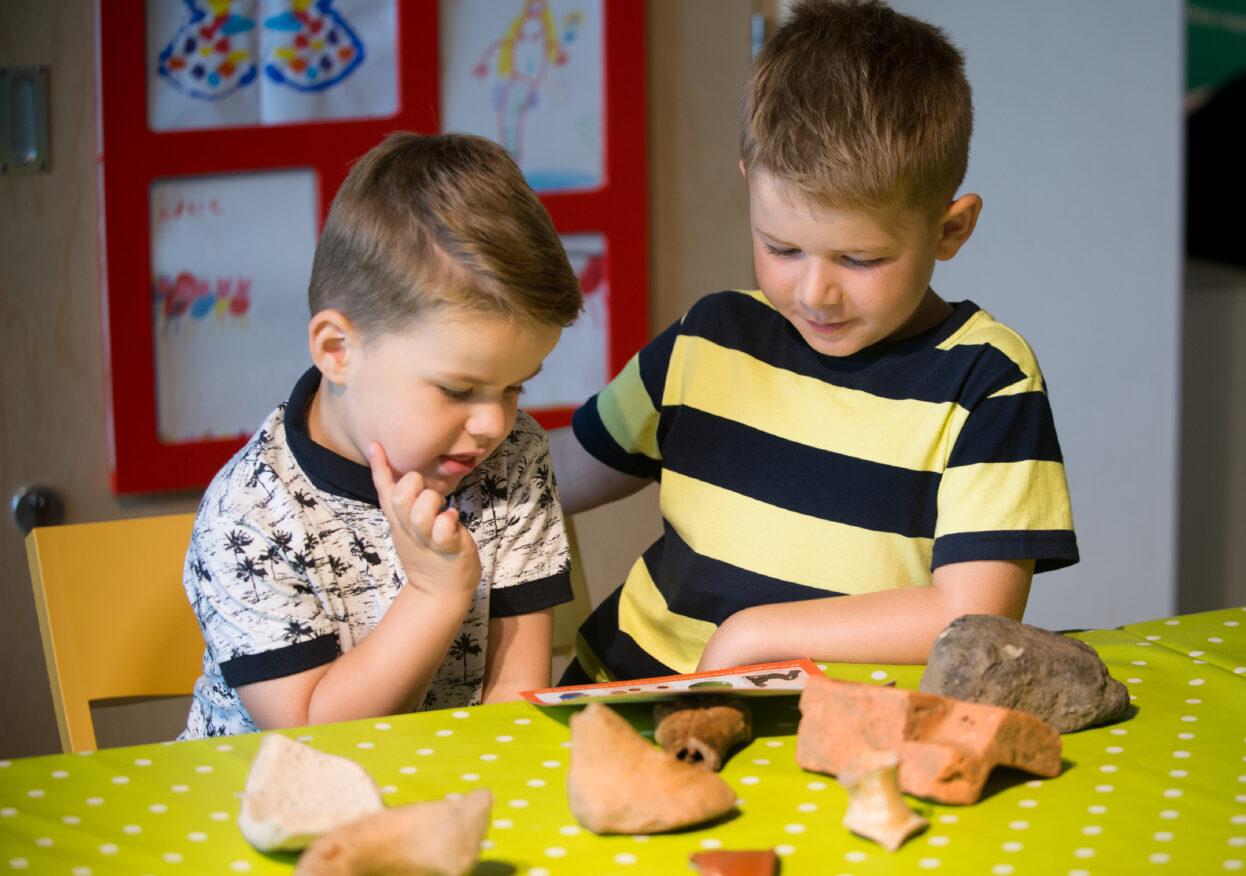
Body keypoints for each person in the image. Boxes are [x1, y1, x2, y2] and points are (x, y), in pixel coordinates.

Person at [551, 0, 1079, 684]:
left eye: (860, 260)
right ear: (750, 187)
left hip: (821, 727)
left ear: (950, 229)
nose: (815, 292)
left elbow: (974, 616)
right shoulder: (708, 339)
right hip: (617, 692)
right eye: (782, 247)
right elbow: (560, 471)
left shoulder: (988, 383)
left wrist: (757, 634)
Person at [180, 131, 583, 739]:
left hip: (450, 782)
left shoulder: (514, 459)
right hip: (275, 789)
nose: (494, 424)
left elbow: (512, 702)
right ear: (337, 350)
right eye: (457, 389)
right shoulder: (249, 513)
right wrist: (434, 593)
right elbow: (312, 737)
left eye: (514, 387)